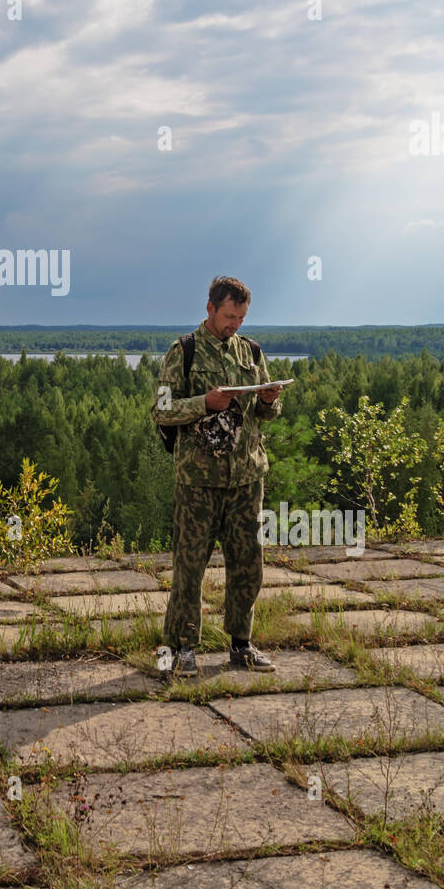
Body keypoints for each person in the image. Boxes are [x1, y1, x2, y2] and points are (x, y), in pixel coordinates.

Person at [151, 276, 283, 675]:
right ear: (210, 309)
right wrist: (203, 403)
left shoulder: (251, 351)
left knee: (248, 564)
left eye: (241, 317)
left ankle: (241, 645)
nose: (235, 325)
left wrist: (268, 401)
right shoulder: (184, 352)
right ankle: (183, 648)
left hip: (246, 479)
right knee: (189, 567)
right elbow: (161, 409)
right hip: (199, 481)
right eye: (229, 316)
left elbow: (265, 417)